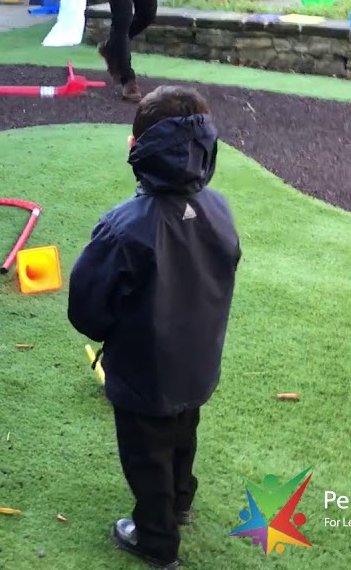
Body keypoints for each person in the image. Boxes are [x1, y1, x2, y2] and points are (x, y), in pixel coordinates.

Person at [68, 85, 242, 570]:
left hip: (144, 373)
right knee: (185, 431)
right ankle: (181, 500)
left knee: (147, 458)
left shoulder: (124, 226)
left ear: (134, 147)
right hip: (198, 363)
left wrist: (109, 330)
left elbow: (87, 309)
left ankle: (156, 540)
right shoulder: (219, 208)